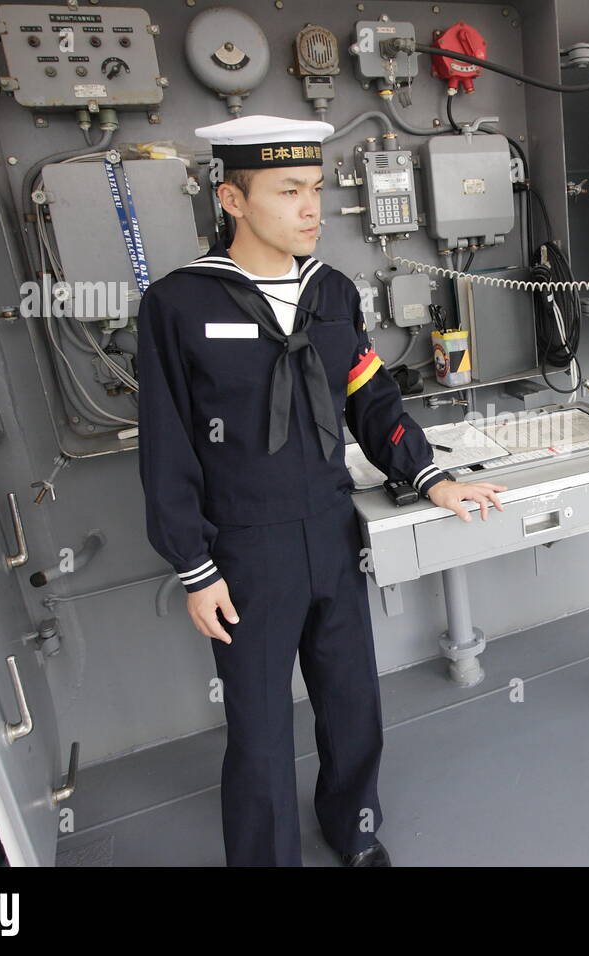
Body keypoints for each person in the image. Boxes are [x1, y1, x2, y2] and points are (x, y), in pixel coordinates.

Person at [137, 115, 505, 865]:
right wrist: (194, 567)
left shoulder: (331, 291)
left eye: (316, 190)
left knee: (351, 703)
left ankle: (354, 830)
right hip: (243, 549)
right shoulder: (180, 304)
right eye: (289, 191)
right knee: (260, 728)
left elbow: (371, 400)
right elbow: (166, 442)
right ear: (232, 198)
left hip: (331, 531)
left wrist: (429, 476)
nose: (313, 209)